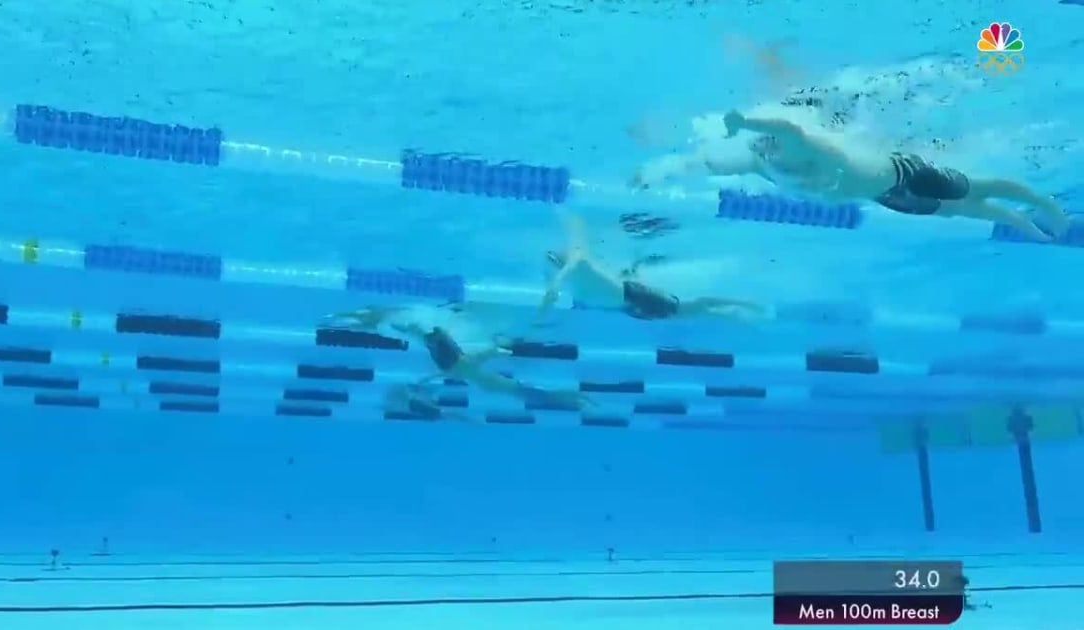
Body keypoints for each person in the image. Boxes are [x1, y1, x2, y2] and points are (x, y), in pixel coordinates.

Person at [631, 110, 1071, 242]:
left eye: (765, 142)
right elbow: (713, 164)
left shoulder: (801, 146)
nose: (765, 149)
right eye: (757, 146)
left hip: (905, 171)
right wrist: (665, 170)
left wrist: (745, 122)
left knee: (982, 188)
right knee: (959, 213)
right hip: (887, 196)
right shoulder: (759, 163)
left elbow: (787, 128)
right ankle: (1020, 222)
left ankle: (1046, 204)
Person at [539, 212, 765, 322]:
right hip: (627, 304)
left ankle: (744, 303)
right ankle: (730, 312)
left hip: (633, 296)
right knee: (686, 312)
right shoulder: (570, 273)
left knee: (692, 307)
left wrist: (544, 309)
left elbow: (571, 259)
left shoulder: (577, 260)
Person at [389, 323, 594, 411]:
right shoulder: (459, 363)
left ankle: (582, 399)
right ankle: (580, 400)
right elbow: (433, 373)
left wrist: (501, 349)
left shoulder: (458, 365)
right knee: (546, 397)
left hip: (507, 385)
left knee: (547, 397)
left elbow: (434, 374)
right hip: (503, 385)